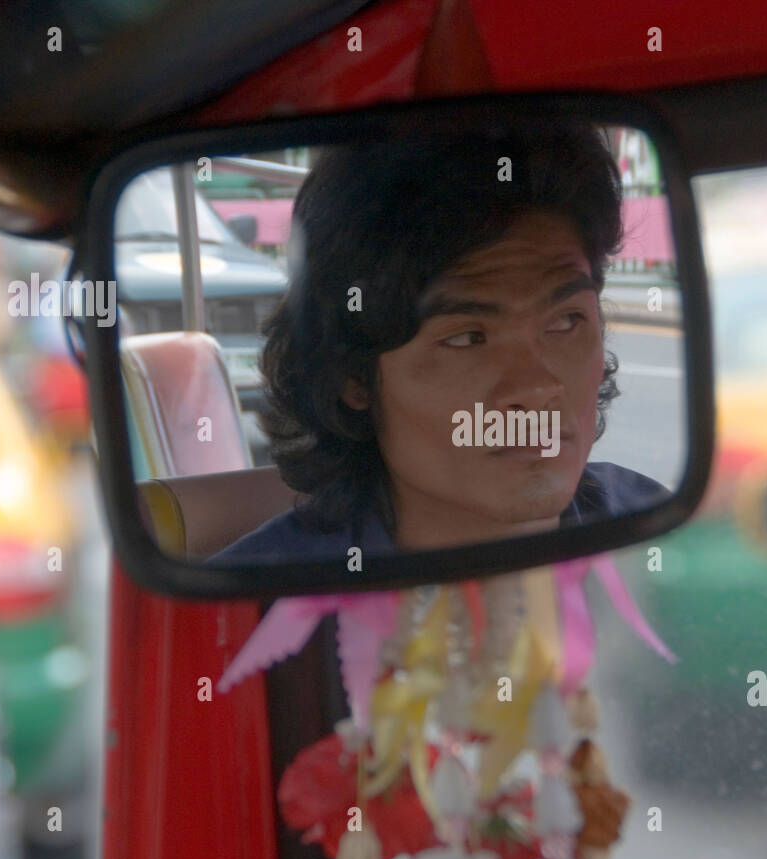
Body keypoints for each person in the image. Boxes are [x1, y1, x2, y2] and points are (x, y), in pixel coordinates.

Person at [209, 122, 667, 565]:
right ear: (354, 375)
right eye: (468, 338)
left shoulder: (660, 537)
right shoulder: (254, 614)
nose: (536, 388)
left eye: (567, 321)